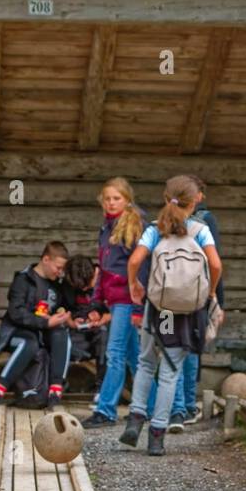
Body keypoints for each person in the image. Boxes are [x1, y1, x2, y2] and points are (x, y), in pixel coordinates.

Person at [120, 175, 221, 457]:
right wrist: (210, 292)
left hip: (159, 309)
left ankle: (136, 417)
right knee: (170, 372)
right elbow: (215, 264)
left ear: (167, 199)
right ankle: (157, 436)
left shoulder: (156, 229)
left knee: (146, 362)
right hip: (186, 312)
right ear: (195, 201)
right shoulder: (200, 231)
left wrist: (134, 285)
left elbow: (135, 261)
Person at [82, 178, 146, 429]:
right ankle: (149, 407)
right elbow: (104, 269)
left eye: (116, 198)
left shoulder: (133, 227)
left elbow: (142, 267)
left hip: (128, 299)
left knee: (115, 353)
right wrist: (97, 303)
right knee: (133, 356)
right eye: (107, 198)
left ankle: (106, 410)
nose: (111, 202)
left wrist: (139, 306)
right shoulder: (106, 228)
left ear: (127, 200)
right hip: (114, 298)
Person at [170, 174, 225, 430]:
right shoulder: (205, 223)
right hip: (198, 295)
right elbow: (215, 263)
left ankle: (176, 408)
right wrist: (215, 297)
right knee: (191, 348)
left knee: (171, 349)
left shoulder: (161, 223)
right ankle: (187, 406)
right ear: (196, 197)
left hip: (167, 296)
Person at [0, 240, 71, 406]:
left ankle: (56, 389)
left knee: (62, 335)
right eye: (58, 267)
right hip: (17, 331)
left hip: (44, 333)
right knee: (29, 344)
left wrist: (61, 314)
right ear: (46, 259)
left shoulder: (57, 283)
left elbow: (64, 306)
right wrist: (45, 323)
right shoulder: (23, 279)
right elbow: (16, 313)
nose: (60, 272)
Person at [64, 253, 110, 399]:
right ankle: (59, 384)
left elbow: (121, 310)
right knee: (60, 340)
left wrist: (104, 316)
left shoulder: (108, 278)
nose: (84, 290)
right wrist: (76, 319)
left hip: (104, 331)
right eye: (79, 287)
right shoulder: (70, 281)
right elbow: (64, 307)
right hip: (80, 331)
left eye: (86, 286)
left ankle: (102, 388)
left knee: (104, 335)